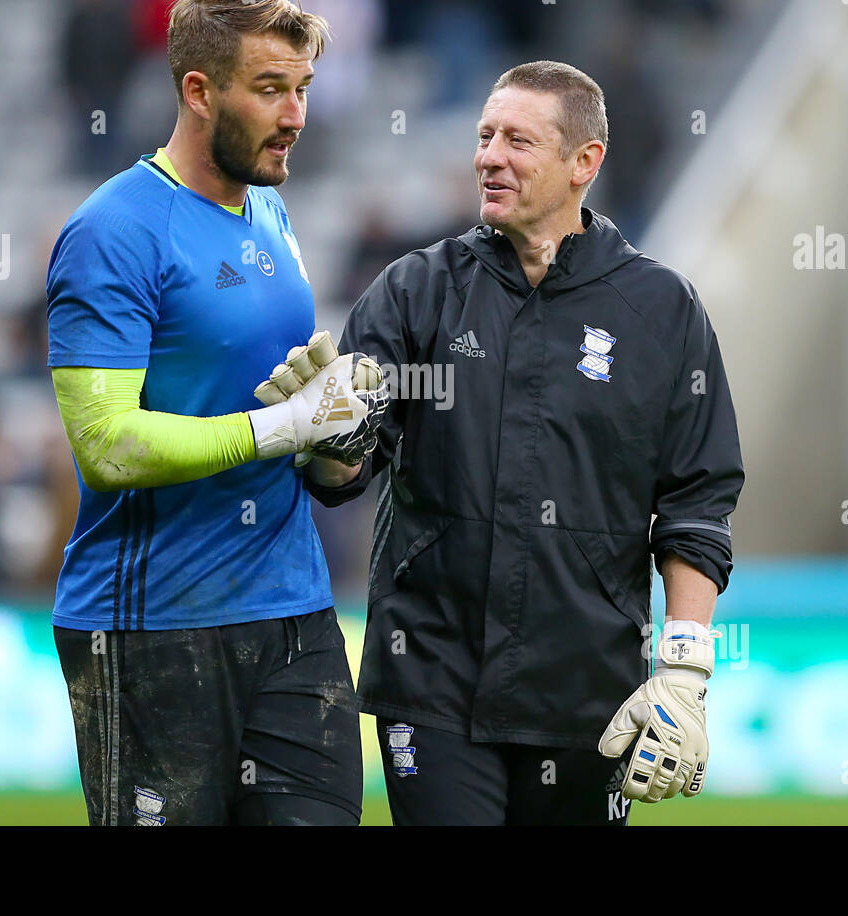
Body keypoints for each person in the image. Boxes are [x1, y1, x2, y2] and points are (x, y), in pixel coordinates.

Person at [305, 61, 745, 825]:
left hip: (587, 695)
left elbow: (697, 505)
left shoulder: (662, 311)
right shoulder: (416, 290)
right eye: (484, 136)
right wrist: (325, 431)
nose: (489, 156)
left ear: (585, 163)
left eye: (518, 140)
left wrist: (685, 671)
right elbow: (344, 473)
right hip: (432, 681)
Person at [45, 0, 386, 826]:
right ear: (198, 91)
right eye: (271, 89)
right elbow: (107, 445)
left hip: (295, 613)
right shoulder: (113, 231)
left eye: (303, 88)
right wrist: (283, 426)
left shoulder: (270, 213)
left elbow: (286, 422)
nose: (296, 115)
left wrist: (334, 445)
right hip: (153, 623)